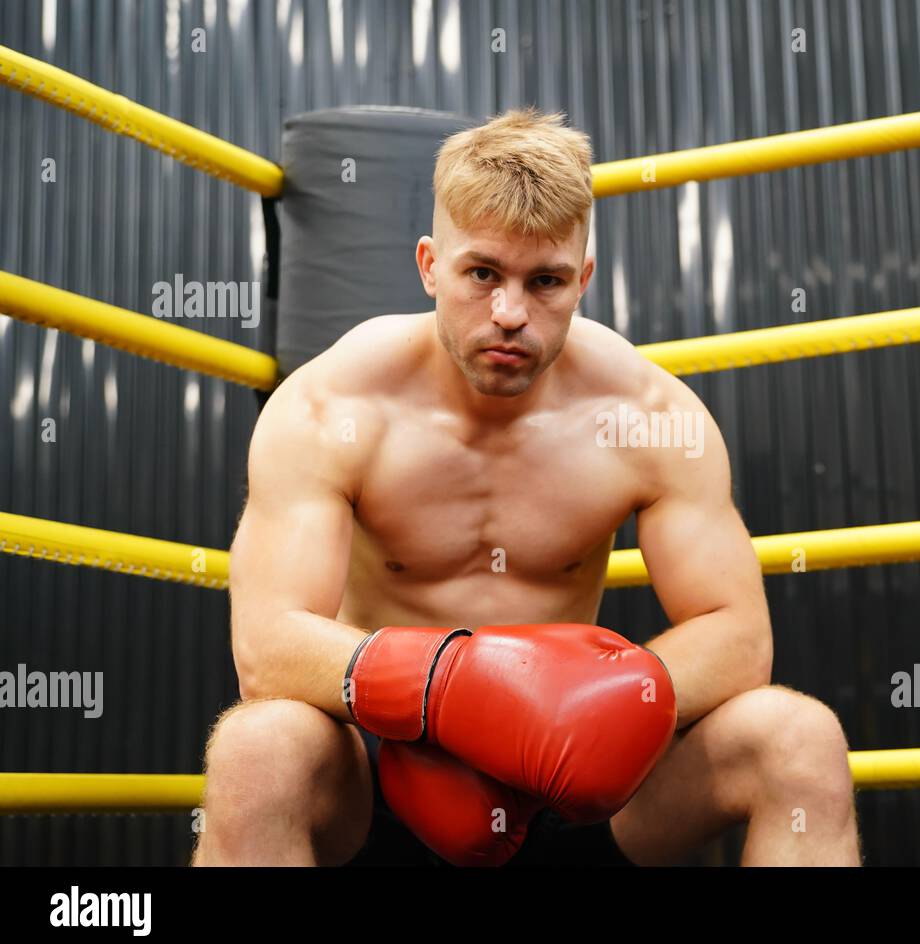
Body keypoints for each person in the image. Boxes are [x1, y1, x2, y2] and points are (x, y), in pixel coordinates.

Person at [191, 109, 860, 867]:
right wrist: (449, 689)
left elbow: (740, 639)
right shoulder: (334, 406)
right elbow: (267, 647)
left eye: (543, 281)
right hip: (384, 776)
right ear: (429, 267)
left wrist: (584, 711)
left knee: (796, 740)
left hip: (582, 789)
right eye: (482, 274)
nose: (511, 314)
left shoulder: (645, 415)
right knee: (256, 748)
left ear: (583, 280)